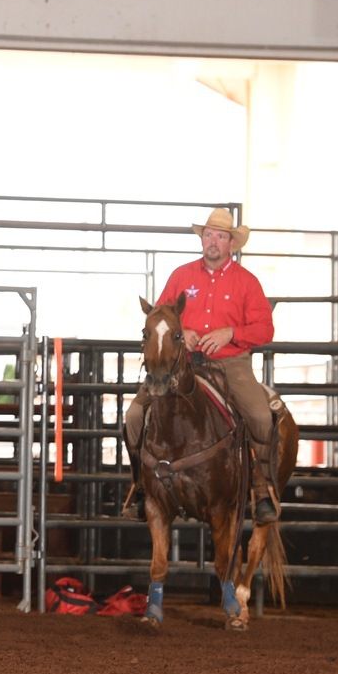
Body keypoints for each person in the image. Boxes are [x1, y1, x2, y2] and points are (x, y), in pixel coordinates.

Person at [123, 207, 278, 524]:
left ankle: (261, 488)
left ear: (231, 243)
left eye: (220, 236)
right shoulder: (181, 276)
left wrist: (231, 333)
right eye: (208, 235)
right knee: (135, 415)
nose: (213, 241)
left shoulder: (247, 282)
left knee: (261, 417)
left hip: (230, 363)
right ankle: (140, 486)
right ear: (202, 239)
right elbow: (159, 317)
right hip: (183, 363)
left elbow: (265, 329)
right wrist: (183, 332)